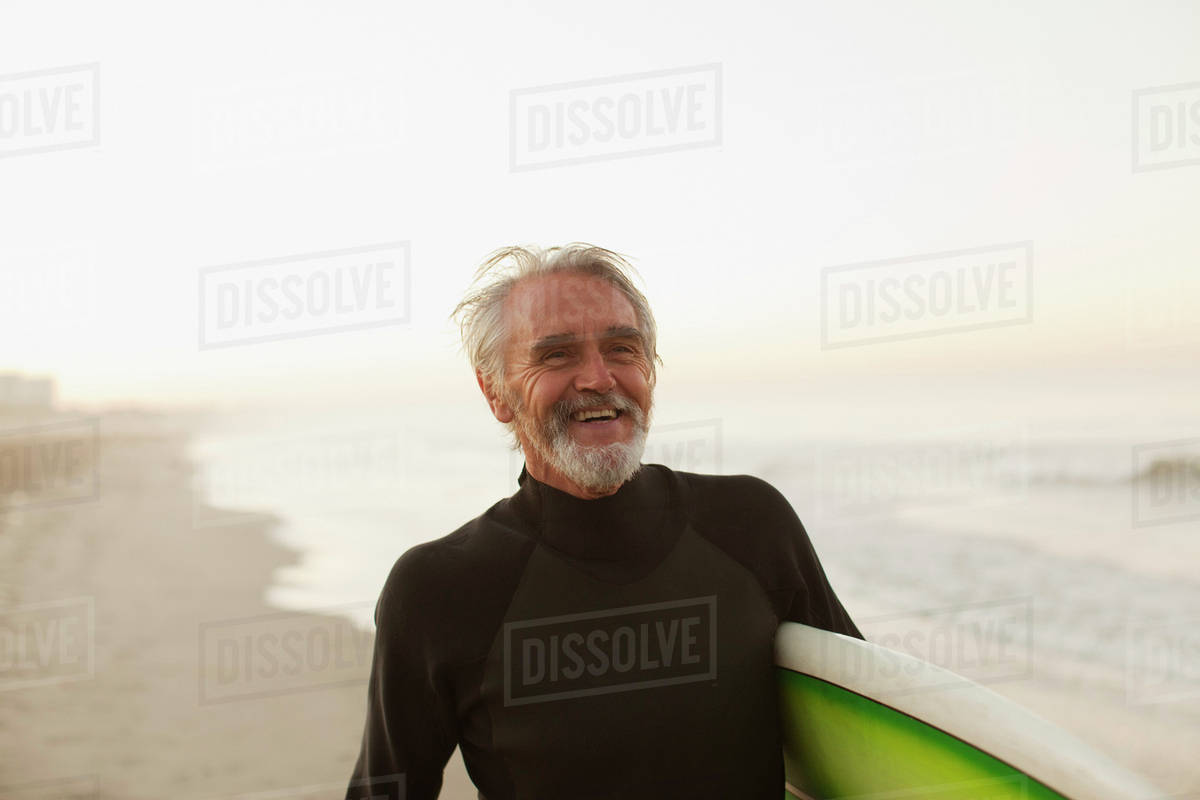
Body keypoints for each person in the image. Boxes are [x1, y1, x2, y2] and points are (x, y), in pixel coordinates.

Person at [347, 244, 861, 800]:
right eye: (556, 355)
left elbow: (874, 717)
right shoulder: (438, 589)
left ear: (650, 370)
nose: (598, 378)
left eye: (621, 348)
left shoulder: (751, 525)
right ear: (495, 391)